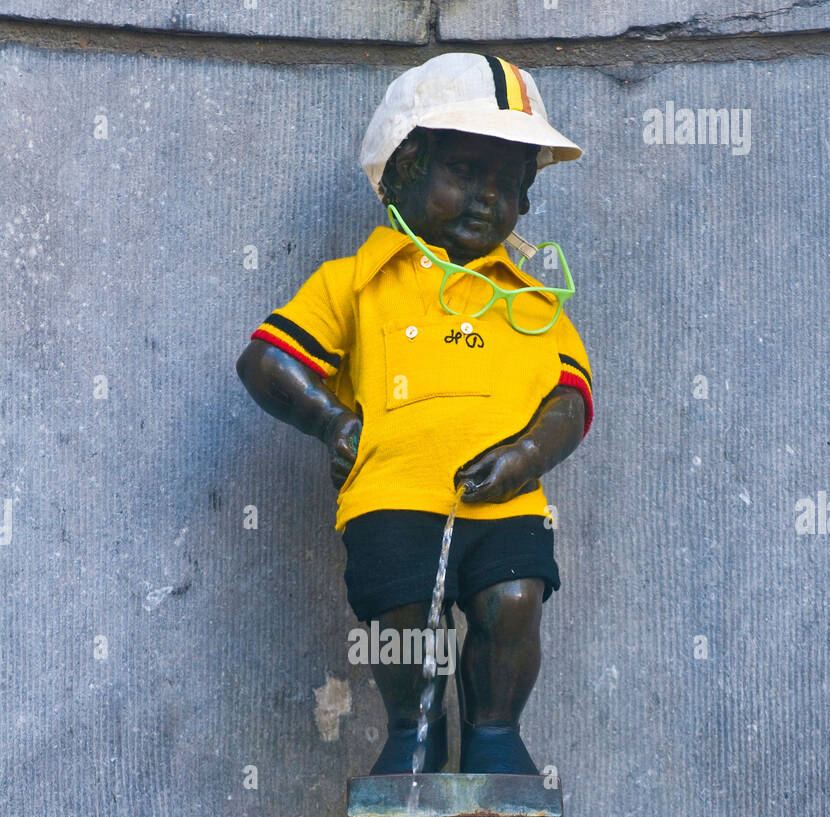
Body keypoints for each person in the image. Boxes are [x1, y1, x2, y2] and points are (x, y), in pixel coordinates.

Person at [237, 53, 593, 775]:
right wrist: (331, 422)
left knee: (516, 602)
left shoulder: (530, 301)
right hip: (393, 495)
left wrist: (527, 456)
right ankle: (413, 737)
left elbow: (571, 399)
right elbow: (267, 362)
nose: (488, 198)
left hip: (507, 500)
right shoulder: (357, 284)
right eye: (465, 172)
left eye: (509, 183)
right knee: (404, 622)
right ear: (401, 170)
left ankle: (496, 737)